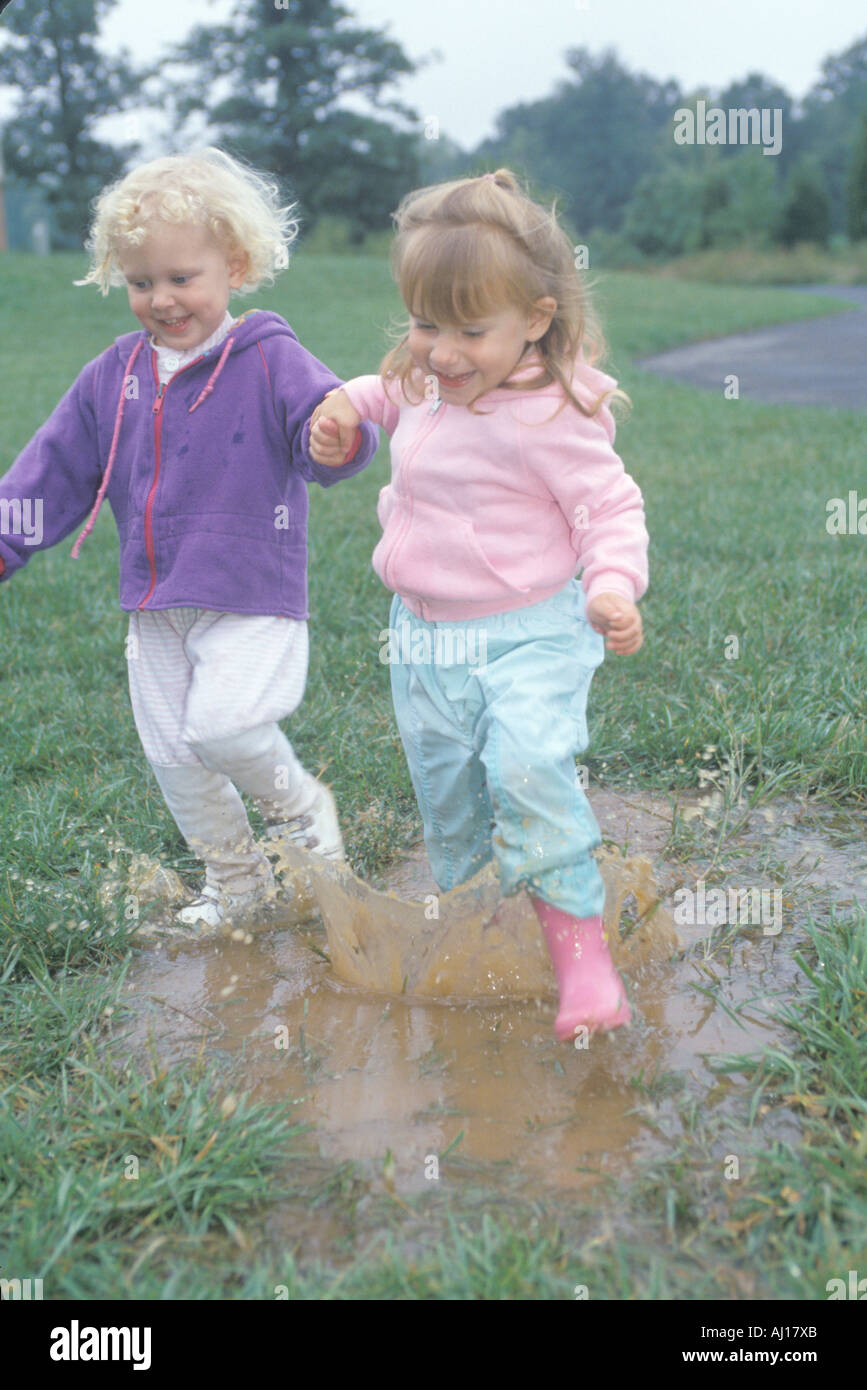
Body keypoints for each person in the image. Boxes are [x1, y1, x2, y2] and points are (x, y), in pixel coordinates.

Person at [0, 147, 378, 933]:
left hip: (249, 593)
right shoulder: (115, 372)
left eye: (182, 278)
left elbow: (331, 423)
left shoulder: (270, 356)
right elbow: (55, 469)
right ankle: (234, 883)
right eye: (141, 282)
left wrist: (337, 437)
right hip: (154, 600)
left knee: (226, 728)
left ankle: (305, 817)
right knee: (174, 753)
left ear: (234, 264)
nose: (162, 299)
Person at [309, 169, 649, 1039]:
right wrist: (346, 405)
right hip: (421, 643)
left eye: (469, 329)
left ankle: (584, 964)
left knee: (528, 769)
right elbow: (388, 392)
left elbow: (606, 508)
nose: (443, 351)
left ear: (535, 319)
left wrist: (611, 586)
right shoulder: (425, 381)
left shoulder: (553, 412)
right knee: (451, 807)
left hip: (531, 631)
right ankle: (483, 941)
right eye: (425, 324)